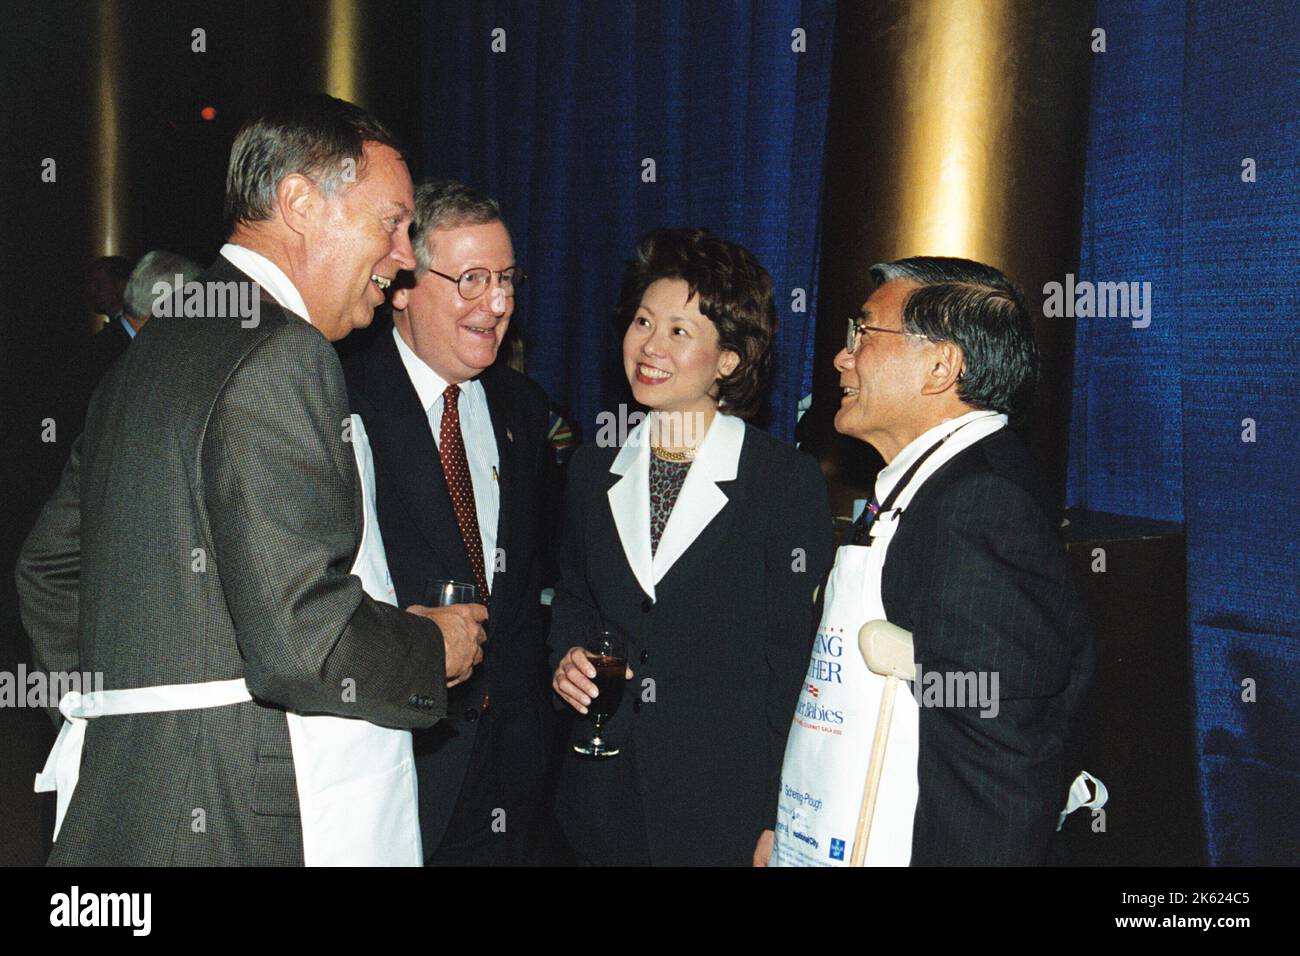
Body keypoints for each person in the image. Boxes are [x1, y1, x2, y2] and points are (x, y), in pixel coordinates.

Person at [16, 94, 486, 866]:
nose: (405, 256)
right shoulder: (280, 352)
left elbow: (48, 569)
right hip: (234, 807)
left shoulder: (160, 344)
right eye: (392, 223)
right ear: (300, 202)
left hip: (134, 798)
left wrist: (137, 711)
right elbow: (300, 638)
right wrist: (429, 649)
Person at [772, 256, 1093, 867]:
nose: (843, 357)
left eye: (863, 334)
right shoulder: (928, 485)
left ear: (941, 367)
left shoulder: (979, 503)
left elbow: (997, 760)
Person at [549, 228, 834, 866]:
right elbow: (573, 597)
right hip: (600, 800)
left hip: (724, 812)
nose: (649, 346)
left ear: (729, 358)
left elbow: (795, 666)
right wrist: (564, 654)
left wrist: (775, 816)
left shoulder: (783, 482)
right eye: (643, 321)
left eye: (680, 331)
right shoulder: (593, 469)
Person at [343, 179, 558, 864]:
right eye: (470, 280)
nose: (497, 305)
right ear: (403, 285)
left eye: (505, 280)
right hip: (394, 762)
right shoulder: (339, 398)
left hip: (510, 772)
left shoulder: (523, 409)